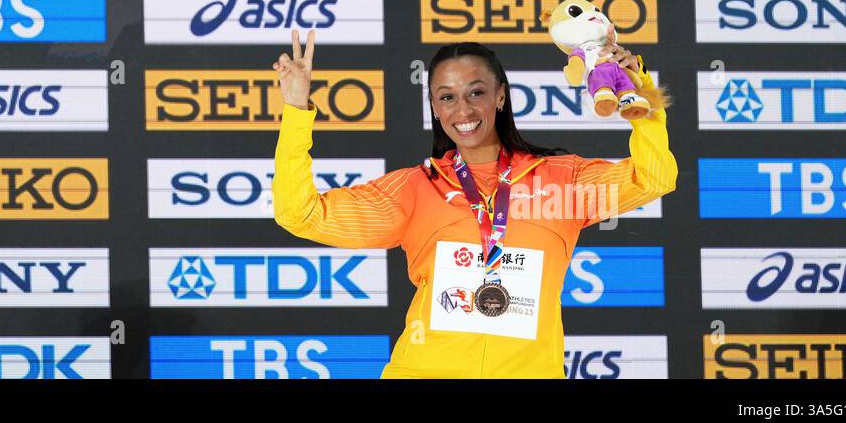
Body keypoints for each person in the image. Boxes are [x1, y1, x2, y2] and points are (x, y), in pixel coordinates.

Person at [271, 29, 677, 378]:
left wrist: (636, 95)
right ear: (433, 106)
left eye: (476, 92)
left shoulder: (560, 181)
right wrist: (295, 110)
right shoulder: (416, 188)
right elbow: (300, 213)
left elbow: (654, 176)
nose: (462, 110)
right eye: (446, 97)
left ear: (500, 96)